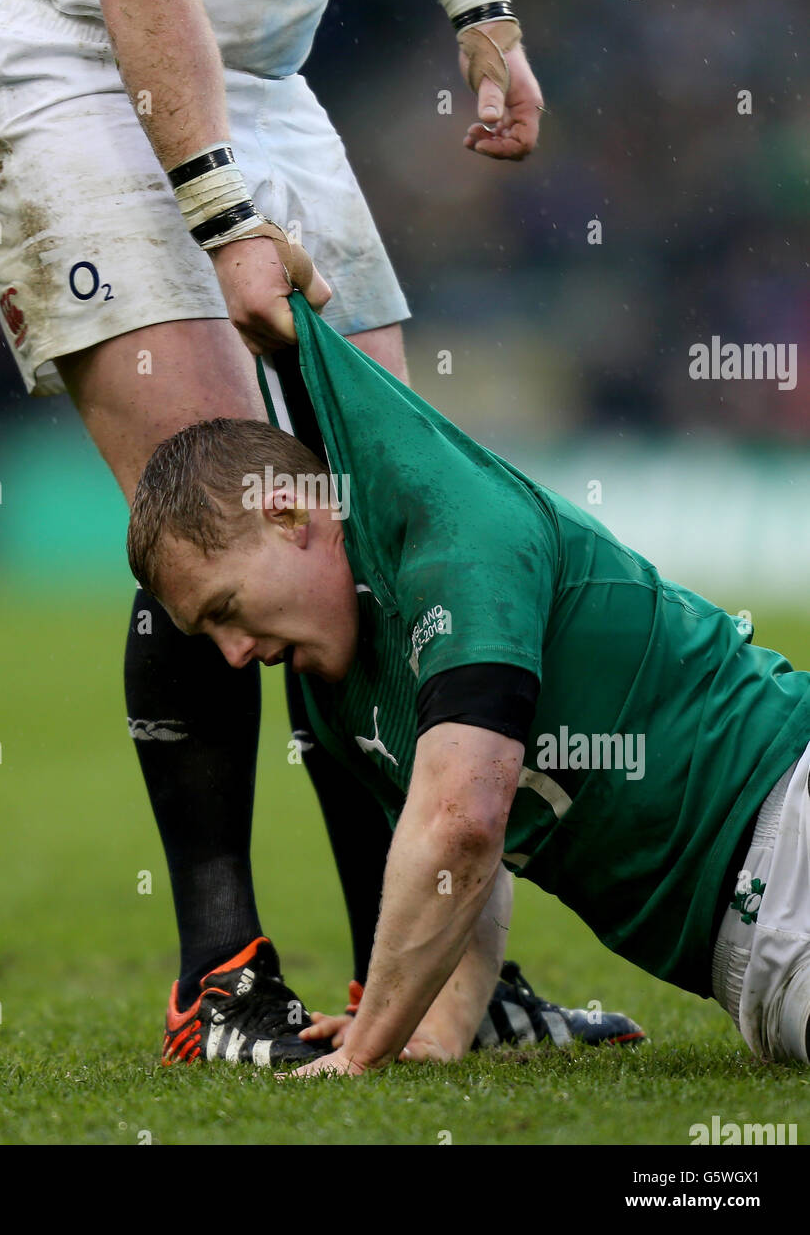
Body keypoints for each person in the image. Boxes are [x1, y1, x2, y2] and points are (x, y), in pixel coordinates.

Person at [0, 0, 636, 1064]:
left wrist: (480, 8)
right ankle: (218, 979)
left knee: (372, 525)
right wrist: (225, 219)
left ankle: (414, 984)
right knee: (228, 508)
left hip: (263, 80)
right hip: (76, 55)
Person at [126, 293, 810, 1069]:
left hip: (790, 806)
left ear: (287, 515)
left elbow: (463, 823)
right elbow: (465, 871)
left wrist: (362, 1055)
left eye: (225, 610)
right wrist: (437, 1033)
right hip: (753, 961)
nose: (233, 655)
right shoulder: (335, 695)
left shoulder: (455, 540)